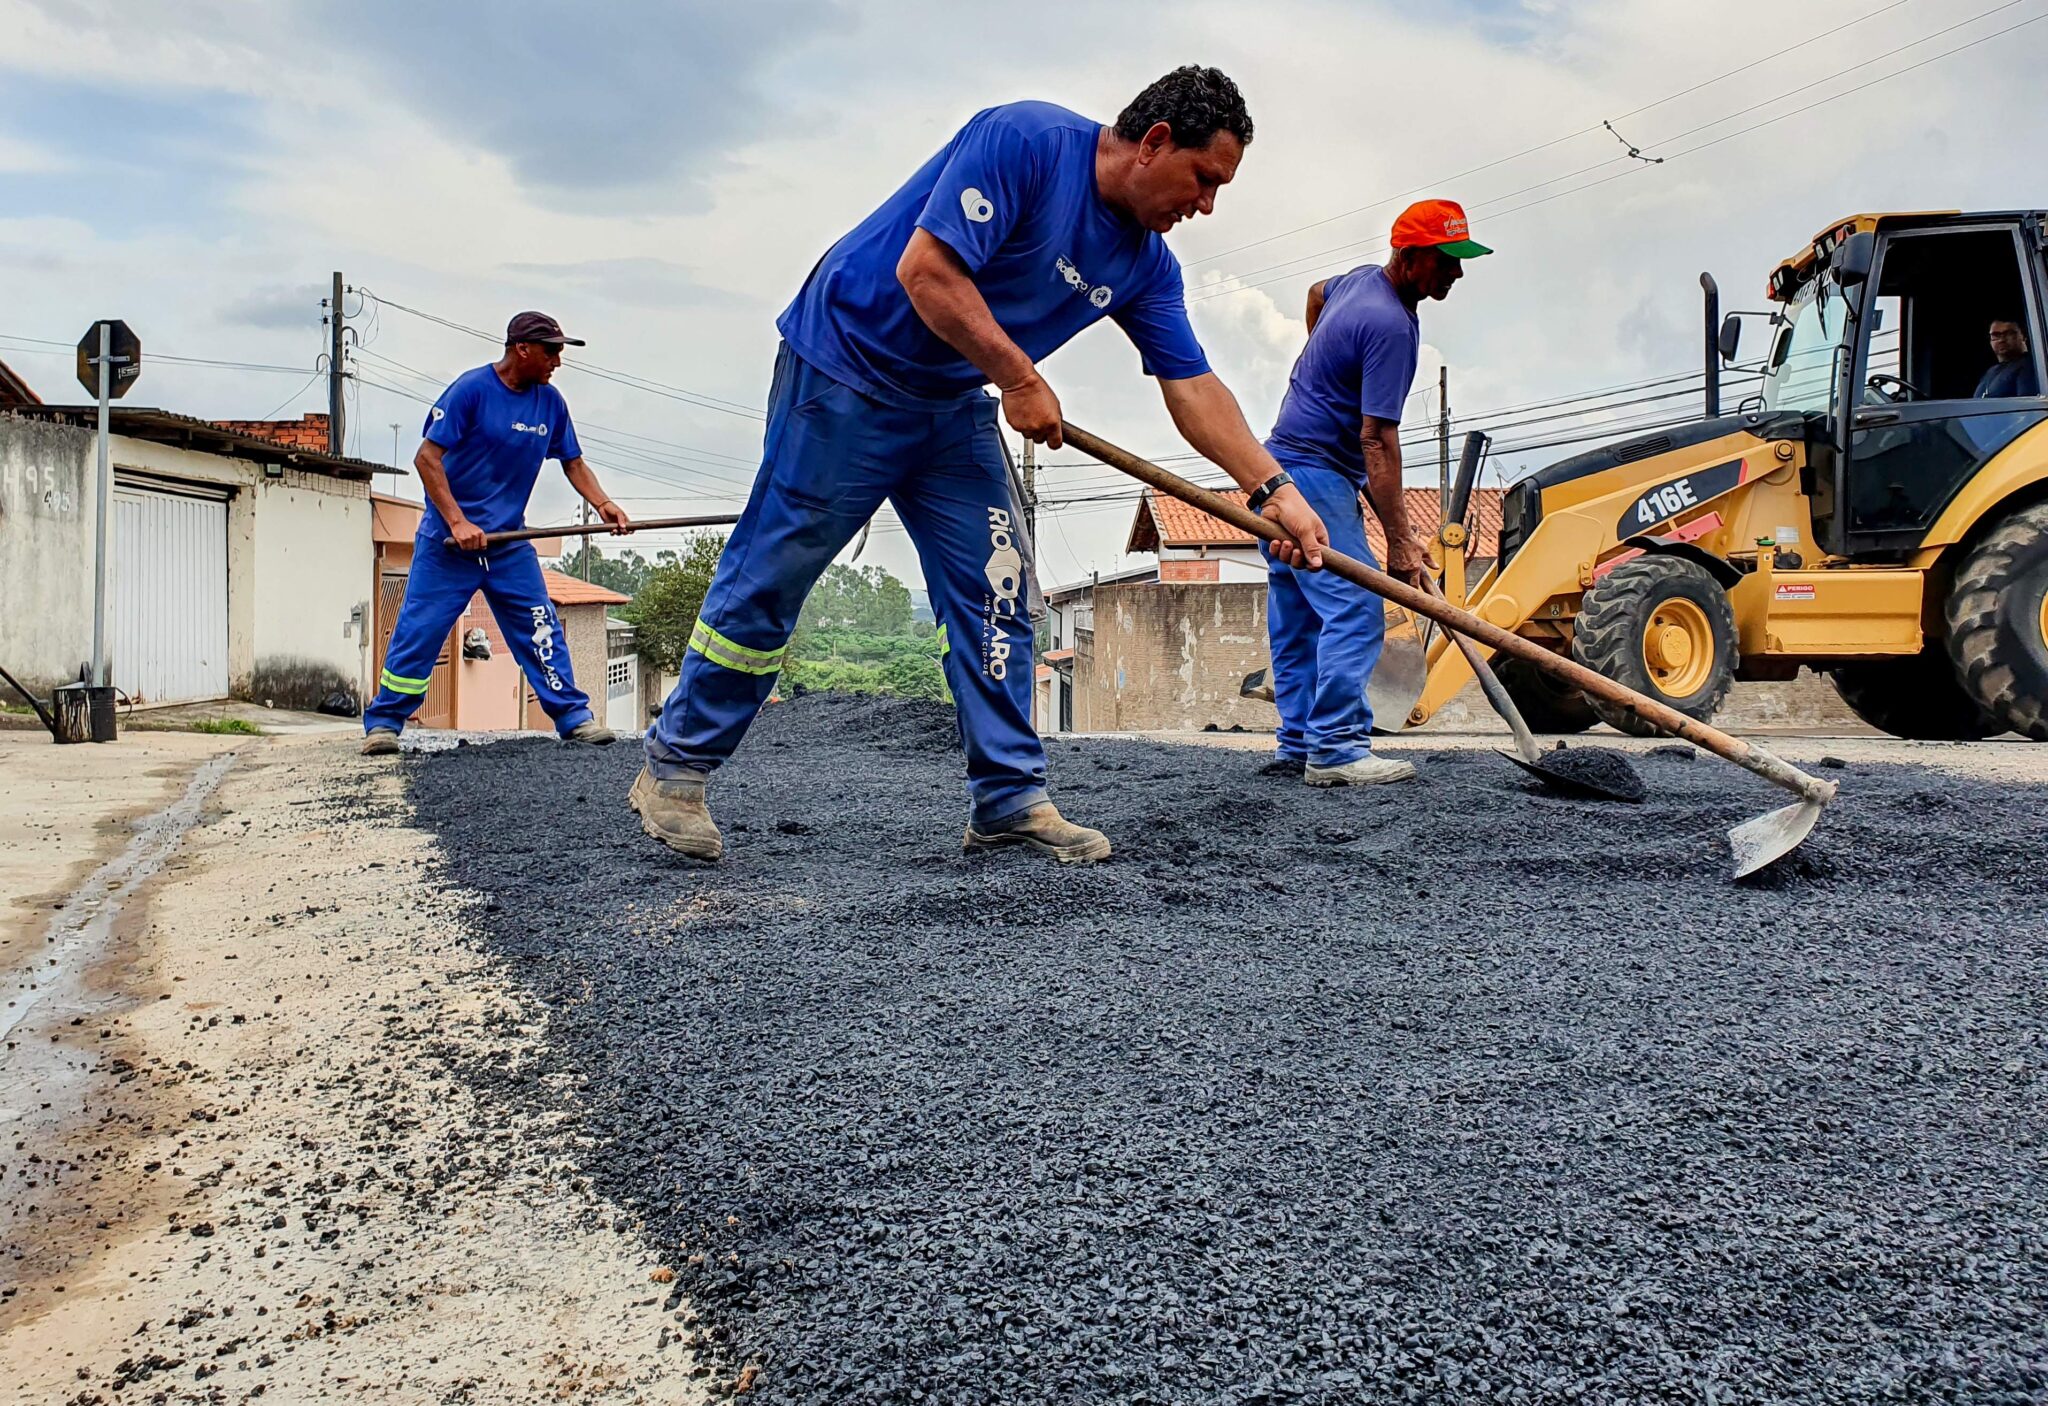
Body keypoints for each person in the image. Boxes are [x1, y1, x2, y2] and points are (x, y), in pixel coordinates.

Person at [633, 66, 1331, 864]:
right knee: (772, 575)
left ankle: (1006, 799)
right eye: (1205, 179)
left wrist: (1273, 489)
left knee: (998, 590)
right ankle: (677, 768)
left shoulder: (1147, 265)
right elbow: (926, 272)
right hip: (846, 370)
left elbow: (1194, 387)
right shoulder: (1025, 141)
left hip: (952, 401)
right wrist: (1021, 377)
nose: (1205, 205)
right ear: (1156, 143)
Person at [1260, 199, 1489, 786]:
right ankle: (1335, 749)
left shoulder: (1357, 284)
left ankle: (1298, 742)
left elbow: (1315, 292)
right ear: (1411, 259)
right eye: (1447, 261)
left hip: (1278, 464)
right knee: (1356, 606)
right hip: (1316, 471)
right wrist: (1401, 540)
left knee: (1298, 610)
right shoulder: (1388, 324)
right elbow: (1378, 440)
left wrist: (1325, 363)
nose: (1457, 275)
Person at [362, 312, 631, 755]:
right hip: (449, 545)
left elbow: (574, 462)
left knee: (540, 627)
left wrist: (603, 504)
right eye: (551, 351)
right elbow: (427, 459)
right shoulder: (471, 391)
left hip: (507, 545)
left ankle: (573, 717)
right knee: (420, 631)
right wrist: (458, 521)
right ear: (522, 349)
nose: (557, 362)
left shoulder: (551, 403)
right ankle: (385, 723)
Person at [1975, 318, 2039, 398]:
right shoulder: (1991, 371)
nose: (2001, 340)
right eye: (1996, 335)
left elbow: (2027, 405)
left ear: (2024, 336)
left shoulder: (2032, 365)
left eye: (2009, 333)